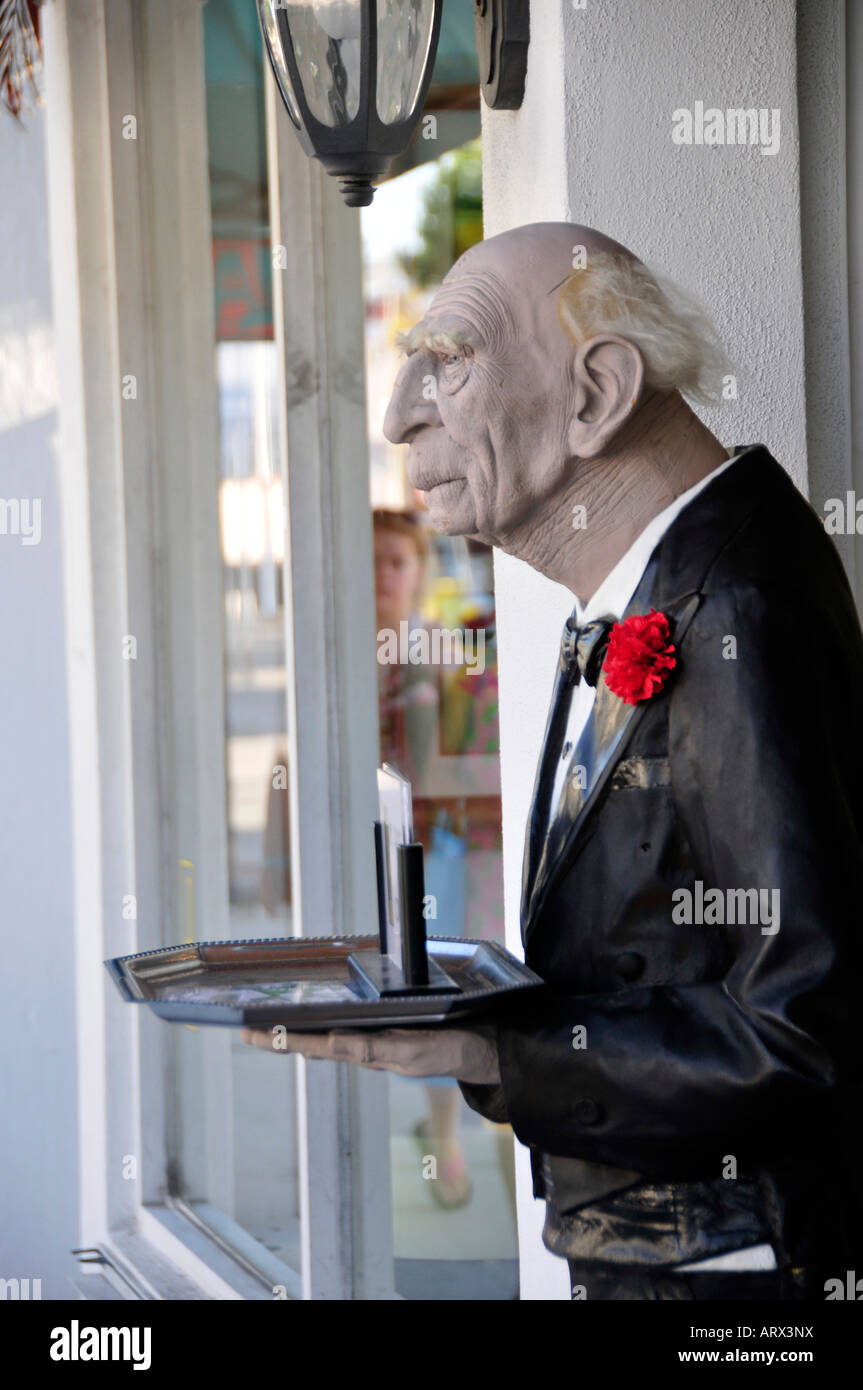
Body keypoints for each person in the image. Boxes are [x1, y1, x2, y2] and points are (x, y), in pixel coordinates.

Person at [245, 222, 863, 1300]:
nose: (397, 415)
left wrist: (494, 1050)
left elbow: (801, 1035)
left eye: (451, 360)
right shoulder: (683, 573)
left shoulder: (732, 607)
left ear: (595, 394)